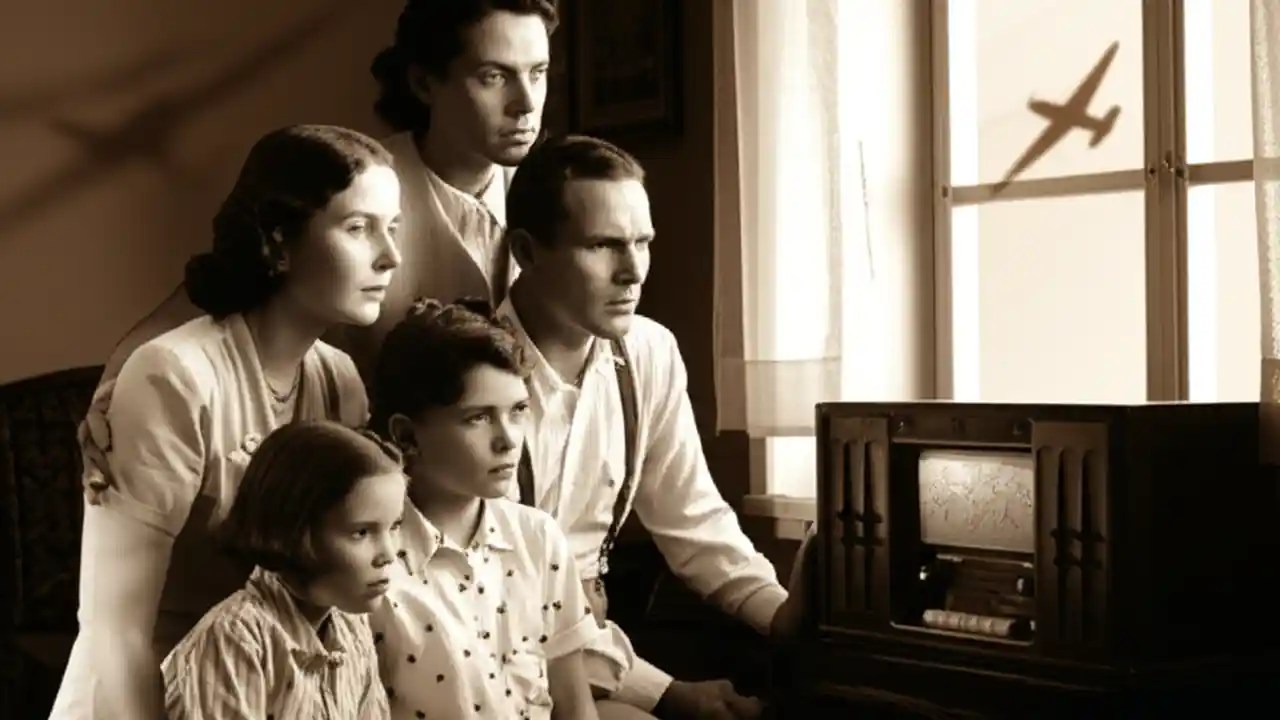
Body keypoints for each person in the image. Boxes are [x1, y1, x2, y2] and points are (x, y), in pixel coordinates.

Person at [50, 124, 402, 719]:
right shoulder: (174, 377)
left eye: (395, 229)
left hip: (283, 695)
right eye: (358, 228)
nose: (389, 256)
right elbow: (116, 632)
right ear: (279, 242)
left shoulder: (338, 381)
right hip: (154, 694)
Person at [496, 134, 813, 719]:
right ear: (526, 250)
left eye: (643, 242)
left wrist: (780, 614)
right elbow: (505, 591)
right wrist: (667, 694)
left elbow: (691, 516)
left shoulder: (648, 352)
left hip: (597, 645)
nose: (633, 270)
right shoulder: (474, 372)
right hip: (496, 657)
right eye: (603, 245)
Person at [89, 0, 558, 389]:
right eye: (494, 77)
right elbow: (210, 292)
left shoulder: (559, 193)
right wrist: (114, 403)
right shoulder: (354, 181)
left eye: (537, 73)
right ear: (423, 83)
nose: (526, 103)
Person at [368, 298, 599, 720]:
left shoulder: (538, 539)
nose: (509, 439)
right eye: (477, 418)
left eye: (518, 411)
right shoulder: (371, 566)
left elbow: (575, 705)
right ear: (406, 436)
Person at [162, 421, 406, 719]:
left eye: (394, 526)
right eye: (361, 532)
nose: (389, 555)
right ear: (295, 531)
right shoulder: (235, 639)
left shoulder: (351, 627)